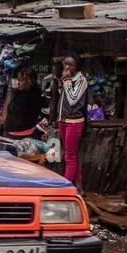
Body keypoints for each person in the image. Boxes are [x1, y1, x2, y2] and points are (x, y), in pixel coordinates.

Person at [57, 55, 89, 189]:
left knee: (69, 157)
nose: (67, 67)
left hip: (74, 122)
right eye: (65, 64)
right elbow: (63, 97)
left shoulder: (81, 80)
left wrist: (67, 81)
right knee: (71, 154)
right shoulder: (67, 79)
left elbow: (73, 100)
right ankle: (78, 184)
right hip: (64, 120)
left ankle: (65, 188)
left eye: (70, 65)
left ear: (77, 67)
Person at [0, 66, 47, 142]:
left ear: (28, 81)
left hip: (22, 136)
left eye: (20, 80)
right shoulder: (18, 93)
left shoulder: (33, 96)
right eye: (17, 80)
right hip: (13, 134)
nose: (18, 83)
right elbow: (6, 114)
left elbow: (7, 115)